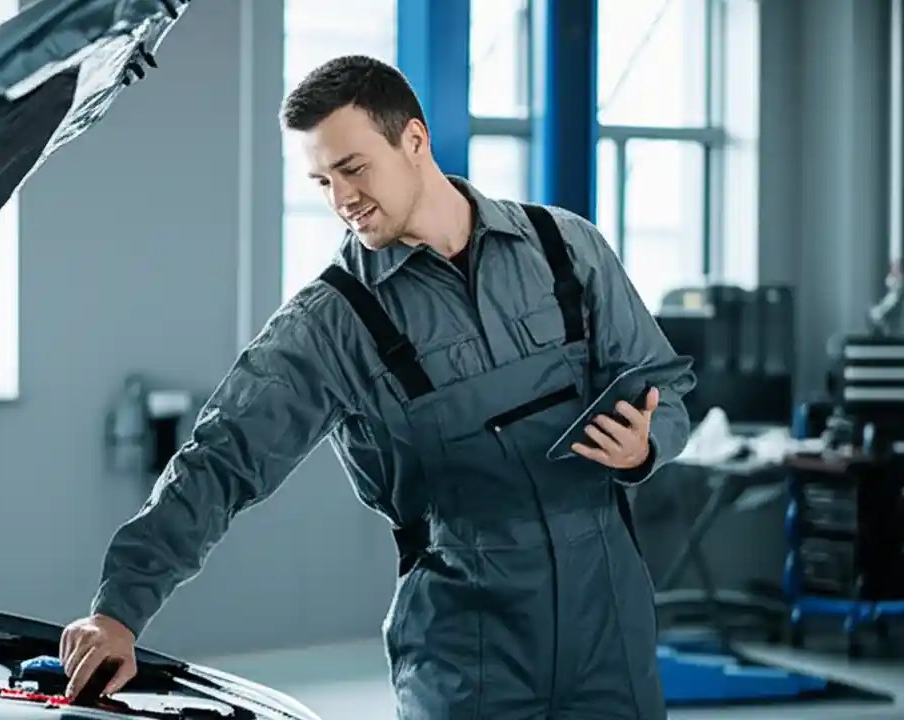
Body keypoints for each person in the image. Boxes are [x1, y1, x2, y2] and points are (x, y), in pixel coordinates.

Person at [61, 54, 696, 718]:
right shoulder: (333, 321)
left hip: (610, 624)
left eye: (354, 168)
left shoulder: (566, 249)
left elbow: (660, 383)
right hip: (469, 645)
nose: (341, 200)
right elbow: (221, 460)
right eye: (321, 181)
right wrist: (120, 611)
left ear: (414, 141)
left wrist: (648, 443)